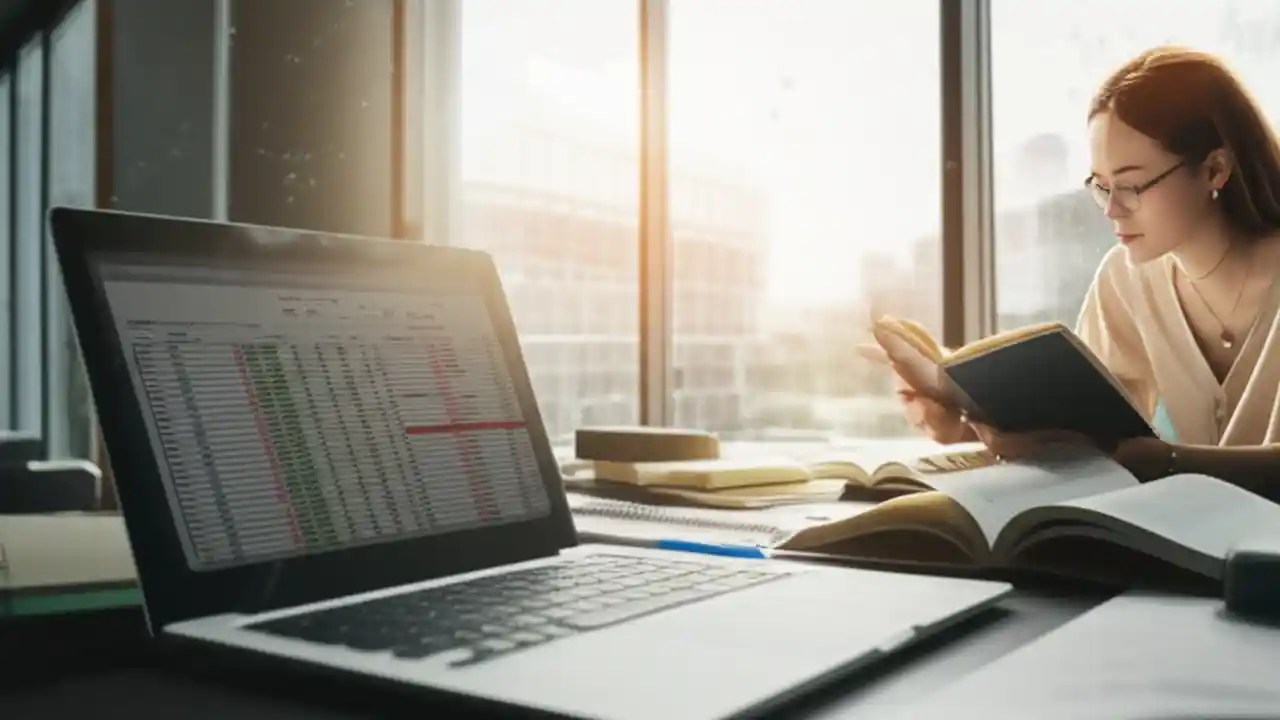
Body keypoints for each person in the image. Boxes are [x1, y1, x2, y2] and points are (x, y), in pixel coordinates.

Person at [896, 46, 1280, 495]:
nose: (1112, 209)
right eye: (1101, 186)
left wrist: (1167, 461)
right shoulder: (1126, 278)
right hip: (1192, 545)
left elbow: (1138, 457)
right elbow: (1084, 438)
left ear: (1215, 169)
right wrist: (963, 424)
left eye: (1132, 185)